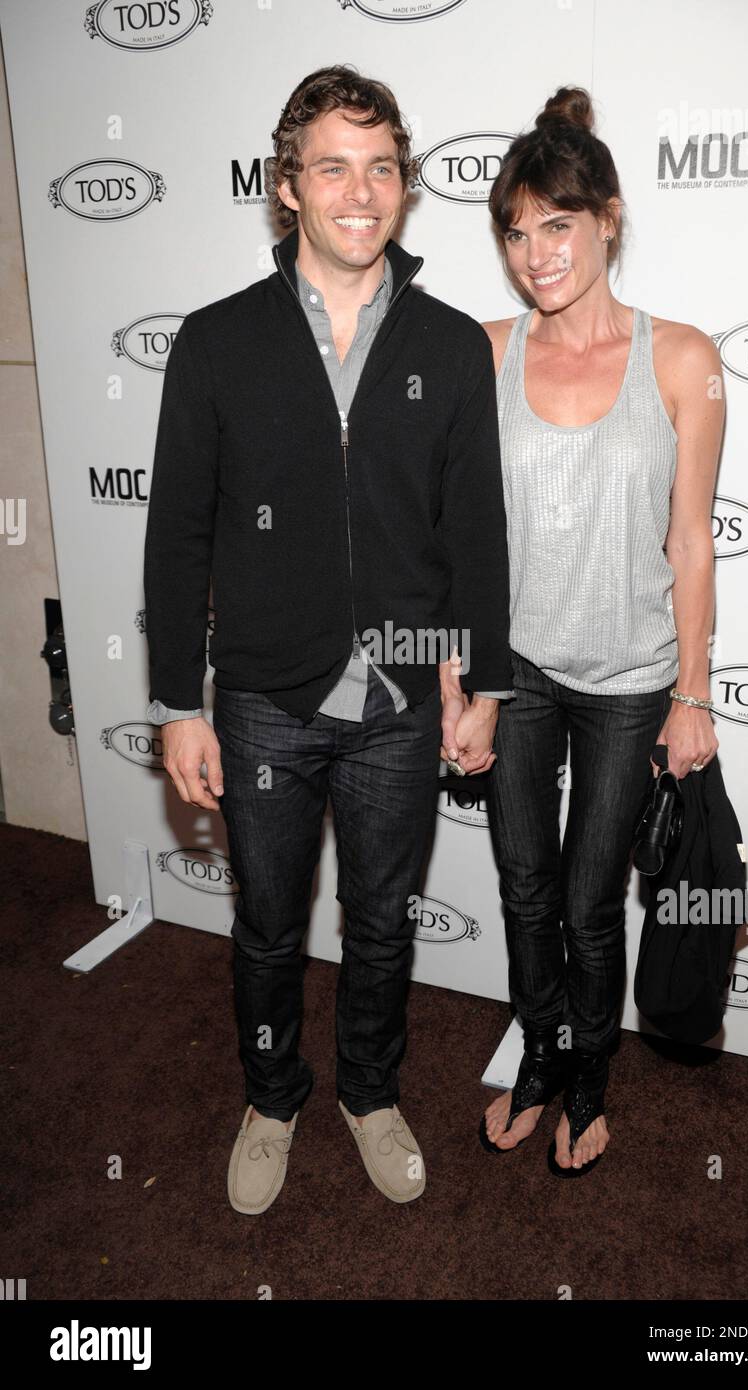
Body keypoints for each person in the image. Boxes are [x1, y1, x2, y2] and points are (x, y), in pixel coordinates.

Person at [143, 65, 513, 1212]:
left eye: (382, 167)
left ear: (404, 184)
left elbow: (477, 536)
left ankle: (368, 1090)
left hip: (401, 702)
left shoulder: (451, 346)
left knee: (383, 922)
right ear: (286, 186)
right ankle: (271, 1094)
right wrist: (177, 702)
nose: (361, 191)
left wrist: (485, 683)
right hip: (259, 696)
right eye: (332, 167)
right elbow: (177, 534)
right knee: (264, 924)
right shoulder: (215, 343)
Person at [477, 85, 724, 1176]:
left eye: (558, 225)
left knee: (587, 901)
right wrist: (460, 677)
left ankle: (590, 1074)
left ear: (608, 217)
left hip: (632, 680)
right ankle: (538, 1053)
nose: (535, 254)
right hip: (519, 669)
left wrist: (694, 692)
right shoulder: (482, 353)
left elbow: (690, 542)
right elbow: (456, 541)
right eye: (517, 231)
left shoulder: (679, 359)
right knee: (522, 884)